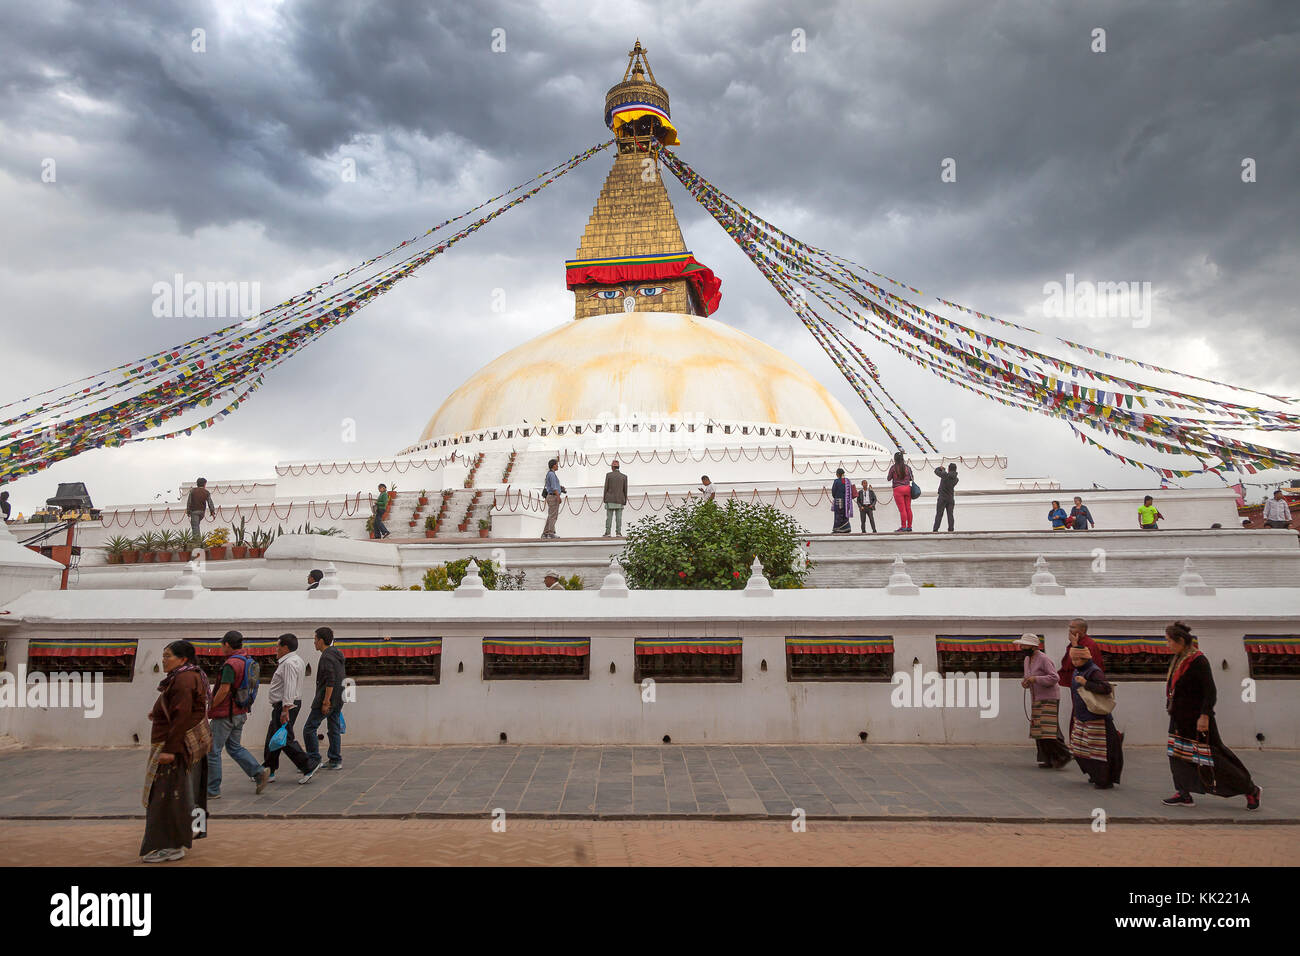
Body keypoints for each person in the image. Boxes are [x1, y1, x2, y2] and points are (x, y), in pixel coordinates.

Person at [1163, 621, 1261, 809]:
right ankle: (1183, 793)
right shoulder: (1179, 659)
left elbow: (1210, 692)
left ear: (1181, 640)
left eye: (1169, 641)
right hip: (1179, 718)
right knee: (1178, 756)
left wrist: (1205, 715)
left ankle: (1250, 789)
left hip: (1197, 720)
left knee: (1214, 759)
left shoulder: (1198, 661)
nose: (1167, 645)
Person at [140, 640, 210, 863]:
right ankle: (178, 839)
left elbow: (182, 715)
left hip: (176, 747)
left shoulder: (184, 679)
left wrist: (170, 750)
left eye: (168, 656)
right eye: (163, 655)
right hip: (182, 746)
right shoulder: (185, 676)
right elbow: (178, 707)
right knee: (179, 795)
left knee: (168, 797)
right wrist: (158, 711)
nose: (163, 660)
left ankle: (172, 845)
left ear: (183, 659)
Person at [206, 630, 269, 799]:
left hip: (225, 714)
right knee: (234, 747)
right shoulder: (248, 660)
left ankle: (212, 790)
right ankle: (258, 772)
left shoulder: (230, 664)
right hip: (240, 712)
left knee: (213, 751)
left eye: (222, 644)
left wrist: (211, 706)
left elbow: (224, 689)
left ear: (227, 645)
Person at [1066, 643, 1124, 789]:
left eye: (1077, 659)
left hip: (1096, 718)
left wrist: (1086, 683)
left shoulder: (1094, 671)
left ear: (1085, 658)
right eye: (1073, 659)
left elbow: (1105, 688)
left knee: (1099, 752)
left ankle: (1104, 779)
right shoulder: (1077, 671)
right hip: (1082, 716)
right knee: (1080, 750)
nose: (1074, 662)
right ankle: (1094, 774)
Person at [261, 634, 314, 783]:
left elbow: (290, 687)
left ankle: (308, 765)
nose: (276, 649)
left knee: (285, 740)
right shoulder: (297, 660)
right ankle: (268, 769)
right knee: (273, 737)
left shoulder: (289, 663)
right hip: (286, 704)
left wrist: (285, 709)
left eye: (278, 646)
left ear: (285, 647)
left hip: (285, 705)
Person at [1016, 634, 1070, 769]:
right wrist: (1027, 683)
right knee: (1039, 730)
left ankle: (1063, 754)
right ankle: (1047, 759)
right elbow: (1029, 677)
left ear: (1034, 646)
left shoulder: (1044, 659)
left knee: (1048, 730)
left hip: (1049, 697)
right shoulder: (1027, 660)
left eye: (1024, 645)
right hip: (1036, 697)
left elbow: (1054, 677)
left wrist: (1036, 679)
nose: (1022, 647)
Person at [302, 626, 346, 776]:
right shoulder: (337, 653)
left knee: (309, 728)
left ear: (321, 640)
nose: (314, 642)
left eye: (315, 639)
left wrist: (326, 701)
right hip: (338, 698)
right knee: (333, 728)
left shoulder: (327, 657)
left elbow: (331, 680)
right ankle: (335, 760)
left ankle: (314, 759)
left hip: (326, 699)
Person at [886, 452, 914, 532]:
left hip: (898, 489)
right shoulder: (907, 467)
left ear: (895, 459)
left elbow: (888, 478)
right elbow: (912, 478)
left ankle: (903, 526)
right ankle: (909, 526)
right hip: (908, 489)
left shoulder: (893, 468)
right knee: (908, 508)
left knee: (902, 510)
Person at [603, 460, 628, 537]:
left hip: (610, 499)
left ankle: (608, 532)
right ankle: (618, 533)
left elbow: (606, 488)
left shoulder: (609, 475)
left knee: (609, 518)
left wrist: (604, 499)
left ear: (612, 467)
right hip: (620, 500)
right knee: (619, 518)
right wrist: (625, 501)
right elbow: (625, 490)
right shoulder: (624, 476)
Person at [541, 459, 565, 539]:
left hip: (551, 495)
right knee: (553, 516)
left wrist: (560, 489)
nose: (557, 466)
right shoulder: (551, 474)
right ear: (554, 465)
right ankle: (551, 533)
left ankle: (545, 533)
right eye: (557, 464)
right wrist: (558, 496)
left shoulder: (551, 474)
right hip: (553, 496)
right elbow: (554, 487)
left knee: (551, 515)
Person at [932, 463, 958, 532]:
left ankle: (935, 529)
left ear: (949, 469)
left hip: (942, 498)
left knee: (939, 515)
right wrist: (944, 471)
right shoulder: (956, 479)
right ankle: (951, 529)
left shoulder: (945, 475)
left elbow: (936, 471)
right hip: (950, 498)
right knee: (950, 515)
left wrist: (940, 468)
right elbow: (947, 475)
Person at [830, 468, 854, 533]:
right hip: (846, 501)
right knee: (844, 514)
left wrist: (836, 496)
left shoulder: (836, 481)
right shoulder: (847, 481)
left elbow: (833, 492)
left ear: (837, 474)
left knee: (838, 515)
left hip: (838, 500)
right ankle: (846, 527)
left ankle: (838, 528)